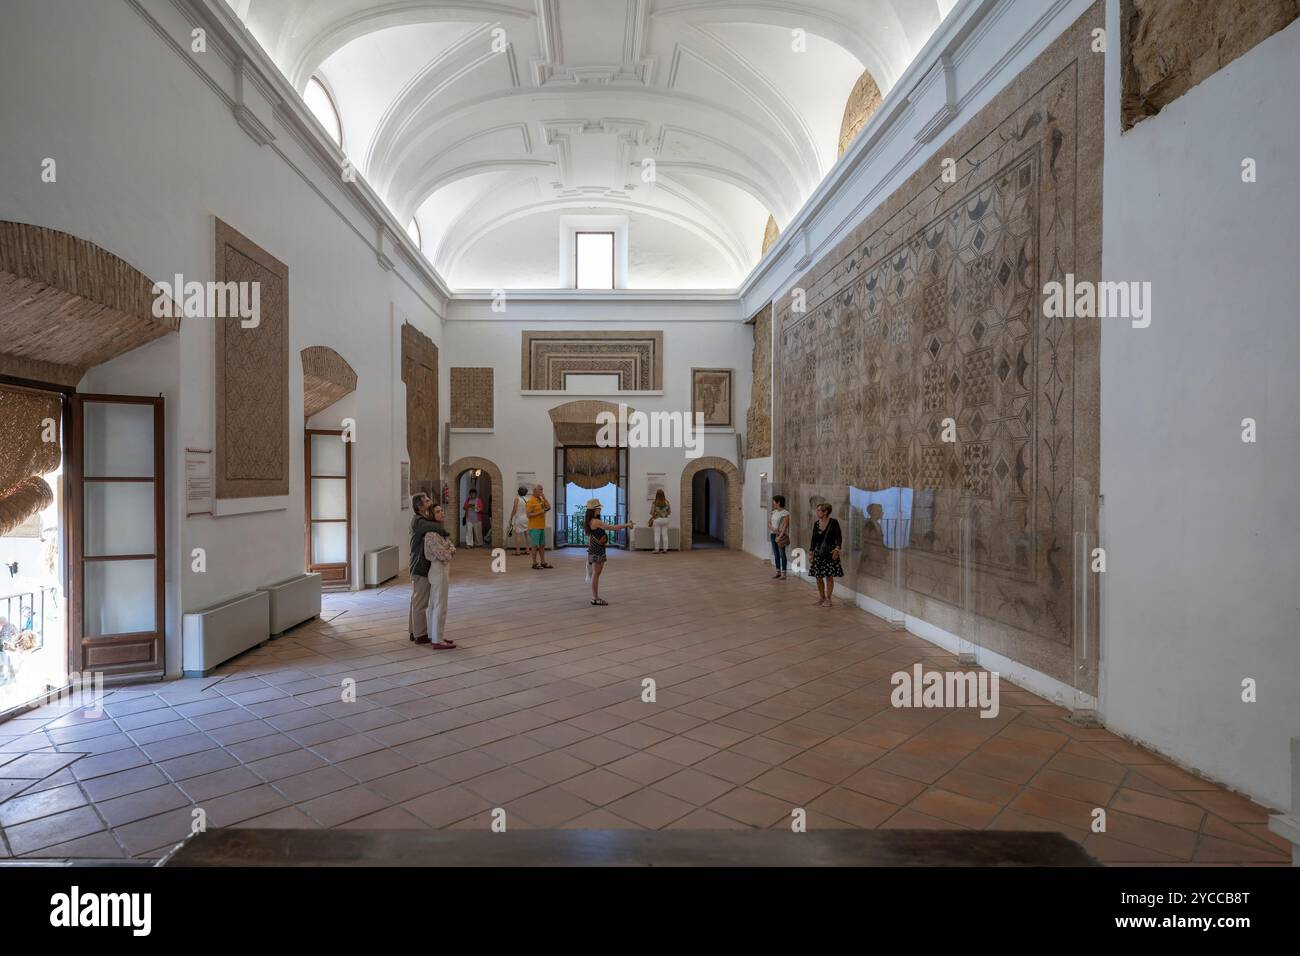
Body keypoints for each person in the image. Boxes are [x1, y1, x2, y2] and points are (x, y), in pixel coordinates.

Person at [585, 498, 633, 606]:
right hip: (597, 549)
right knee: (596, 574)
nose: (600, 509)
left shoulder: (590, 521)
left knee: (596, 573)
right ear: (594, 510)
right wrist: (627, 525)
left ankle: (595, 597)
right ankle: (595, 598)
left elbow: (591, 536)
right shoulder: (596, 521)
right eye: (598, 508)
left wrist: (589, 548)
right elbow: (613, 528)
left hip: (595, 548)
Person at [408, 493, 442, 644]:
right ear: (420, 507)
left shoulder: (420, 519)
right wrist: (440, 523)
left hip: (419, 564)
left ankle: (413, 630)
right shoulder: (419, 520)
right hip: (419, 565)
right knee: (420, 602)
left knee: (416, 600)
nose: (430, 502)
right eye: (427, 501)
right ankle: (420, 634)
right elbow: (433, 526)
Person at [422, 503, 457, 649]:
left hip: (442, 569)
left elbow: (451, 546)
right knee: (439, 605)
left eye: (442, 510)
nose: (442, 513)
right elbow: (443, 554)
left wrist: (449, 550)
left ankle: (435, 635)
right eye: (438, 511)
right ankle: (437, 640)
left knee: (435, 604)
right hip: (438, 570)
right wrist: (449, 551)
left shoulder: (439, 532)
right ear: (431, 515)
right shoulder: (431, 534)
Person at [810, 501, 843, 607]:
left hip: (830, 552)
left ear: (826, 512)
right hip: (818, 552)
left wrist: (837, 549)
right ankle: (822, 597)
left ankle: (828, 599)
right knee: (818, 576)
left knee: (829, 576)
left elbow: (839, 537)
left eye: (819, 510)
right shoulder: (816, 524)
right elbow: (813, 539)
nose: (817, 512)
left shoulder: (834, 522)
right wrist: (811, 552)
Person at [526, 484, 553, 569]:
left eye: (542, 489)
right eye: (540, 490)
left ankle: (543, 562)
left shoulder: (540, 499)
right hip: (534, 527)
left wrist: (544, 498)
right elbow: (528, 515)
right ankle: (534, 563)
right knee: (535, 546)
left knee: (542, 545)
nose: (542, 491)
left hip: (541, 526)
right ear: (534, 491)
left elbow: (549, 507)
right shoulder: (531, 501)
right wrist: (540, 512)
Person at [769, 494, 790, 579]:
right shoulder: (774, 512)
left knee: (782, 554)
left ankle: (784, 573)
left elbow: (785, 526)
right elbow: (769, 523)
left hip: (780, 535)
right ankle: (778, 571)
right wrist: (774, 530)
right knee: (776, 554)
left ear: (778, 502)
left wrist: (779, 536)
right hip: (773, 534)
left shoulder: (785, 513)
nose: (773, 503)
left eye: (774, 502)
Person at [507, 485, 530, 556]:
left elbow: (514, 509)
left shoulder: (517, 499)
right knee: (527, 534)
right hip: (526, 518)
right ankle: (528, 550)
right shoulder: (528, 499)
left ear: (518, 492)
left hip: (519, 518)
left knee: (517, 535)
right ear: (526, 492)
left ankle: (518, 551)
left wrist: (511, 518)